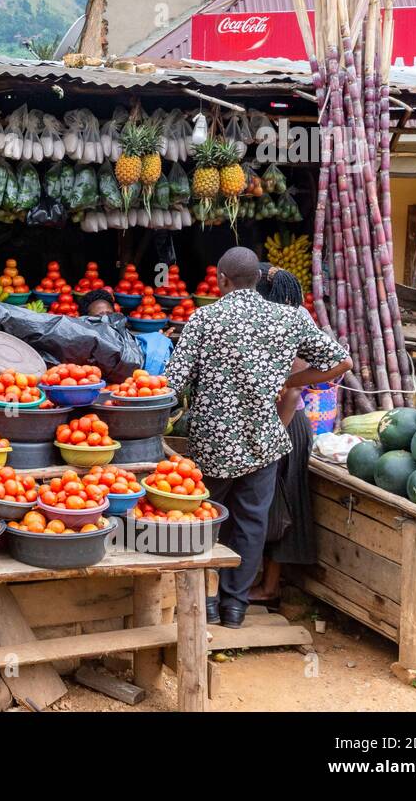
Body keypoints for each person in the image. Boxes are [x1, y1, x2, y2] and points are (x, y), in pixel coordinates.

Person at [163, 247, 351, 628]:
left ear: (222, 280)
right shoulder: (290, 318)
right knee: (251, 522)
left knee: (202, 520)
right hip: (264, 441)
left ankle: (205, 601)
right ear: (257, 278)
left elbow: (172, 384)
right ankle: (235, 608)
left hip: (212, 441)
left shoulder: (204, 319)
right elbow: (340, 362)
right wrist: (288, 380)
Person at [252, 263, 317, 601]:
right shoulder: (292, 321)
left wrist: (274, 435)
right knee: (271, 502)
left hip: (287, 425)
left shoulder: (287, 327)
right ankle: (265, 583)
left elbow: (292, 392)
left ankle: (270, 587)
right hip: (281, 422)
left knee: (280, 504)